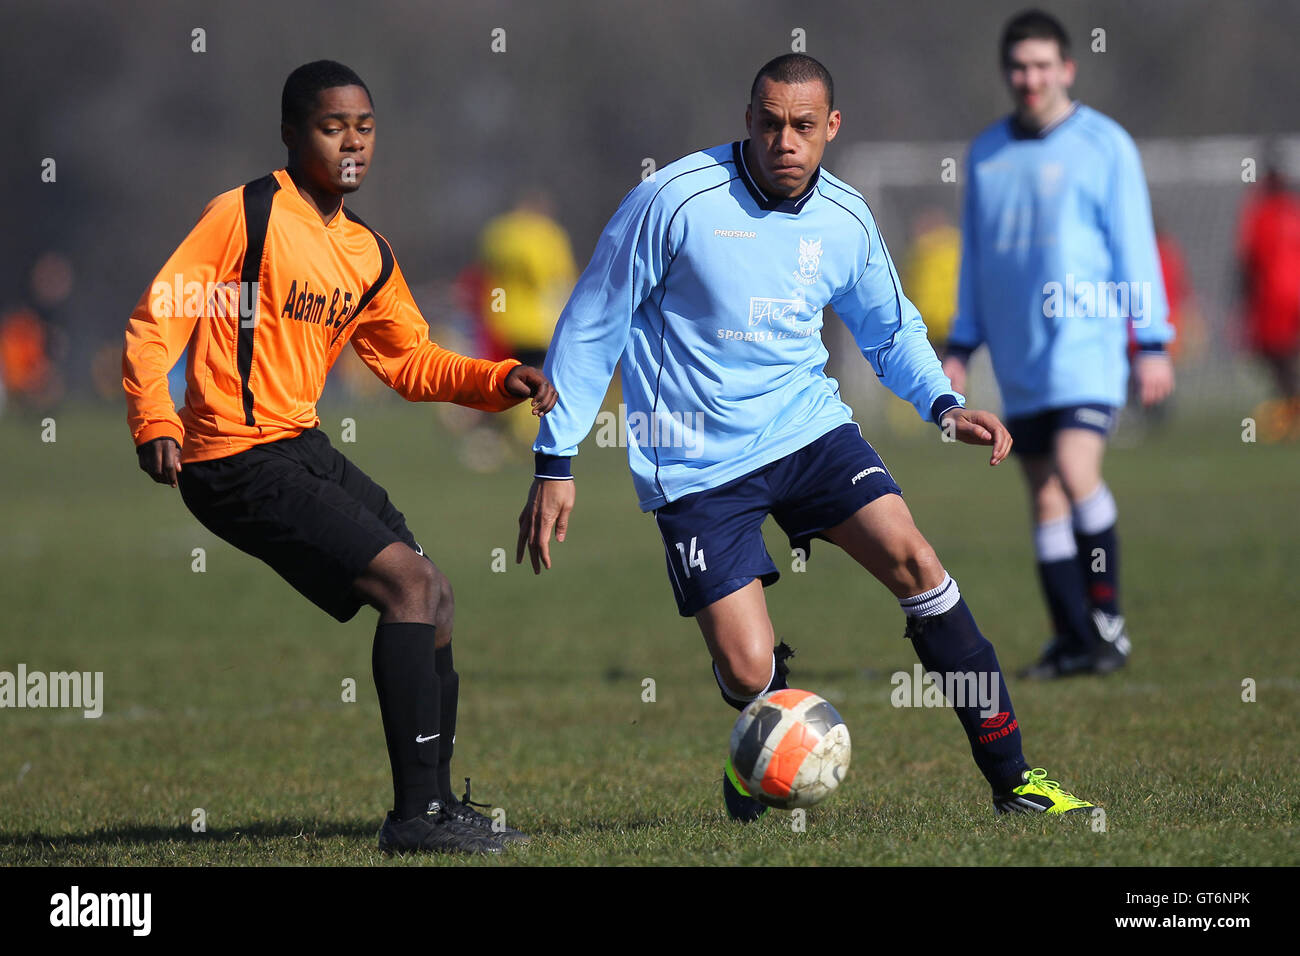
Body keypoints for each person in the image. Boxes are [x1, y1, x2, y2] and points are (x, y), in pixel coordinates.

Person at [517, 53, 1094, 821]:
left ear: (831, 128)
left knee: (918, 563)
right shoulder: (673, 202)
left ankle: (1015, 778)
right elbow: (593, 324)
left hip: (808, 429)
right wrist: (556, 458)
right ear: (748, 120)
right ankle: (758, 739)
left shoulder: (847, 219)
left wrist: (944, 404)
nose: (784, 141)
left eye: (802, 126)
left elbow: (890, 330)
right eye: (768, 124)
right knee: (747, 665)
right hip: (695, 457)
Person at [122, 60, 556, 855]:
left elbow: (412, 362)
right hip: (231, 459)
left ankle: (436, 806)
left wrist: (498, 379)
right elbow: (160, 317)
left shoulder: (367, 251)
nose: (352, 141)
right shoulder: (246, 213)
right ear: (292, 135)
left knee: (438, 598)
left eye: (364, 126)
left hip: (299, 446)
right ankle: (413, 822)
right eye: (332, 126)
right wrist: (155, 415)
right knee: (410, 586)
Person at [942, 10, 1175, 680]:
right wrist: (961, 342)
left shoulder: (1106, 145)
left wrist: (1151, 340)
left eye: (1043, 65)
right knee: (1043, 491)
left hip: (1087, 341)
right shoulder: (986, 153)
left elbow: (1135, 244)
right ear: (1006, 73)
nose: (1031, 78)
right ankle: (1072, 641)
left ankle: (1107, 622)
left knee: (1076, 473)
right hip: (1021, 353)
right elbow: (977, 261)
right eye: (1019, 66)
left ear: (1067, 69)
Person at [1237, 166, 1300, 439]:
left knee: (1277, 358)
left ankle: (1290, 409)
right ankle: (1289, 409)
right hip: (1291, 293)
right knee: (1282, 358)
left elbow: (1249, 260)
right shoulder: (1293, 210)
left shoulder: (1259, 213)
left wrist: (1243, 300)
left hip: (1276, 298)